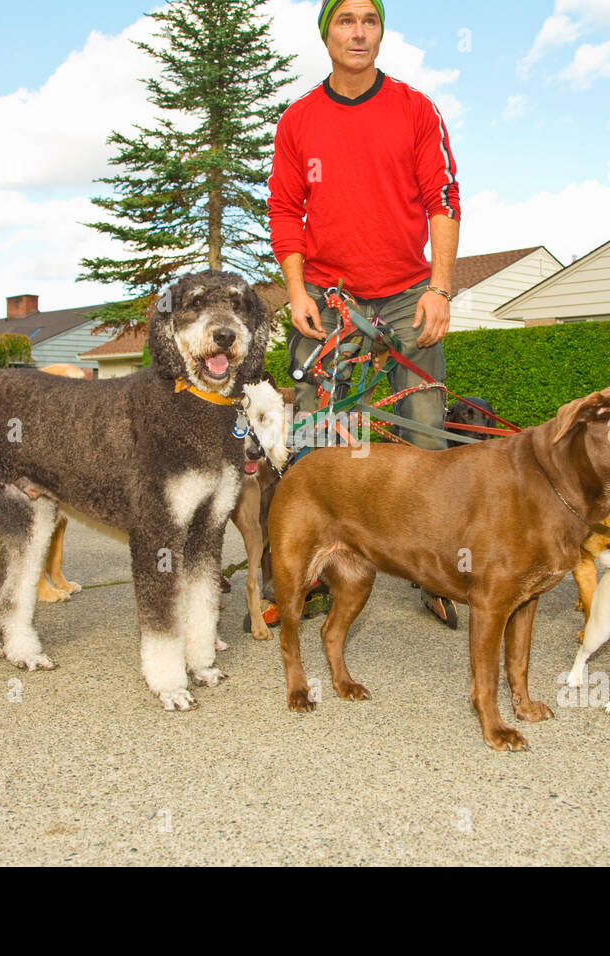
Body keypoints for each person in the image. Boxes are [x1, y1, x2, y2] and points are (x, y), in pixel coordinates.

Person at [267, 0, 463, 626]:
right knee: (315, 440)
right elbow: (284, 211)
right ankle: (309, 572)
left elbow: (444, 198)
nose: (358, 31)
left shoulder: (414, 108)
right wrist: (296, 293)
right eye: (345, 19)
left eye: (369, 19)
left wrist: (440, 288)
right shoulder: (298, 120)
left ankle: (435, 567)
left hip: (409, 293)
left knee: (427, 435)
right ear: (326, 32)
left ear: (381, 30)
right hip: (329, 299)